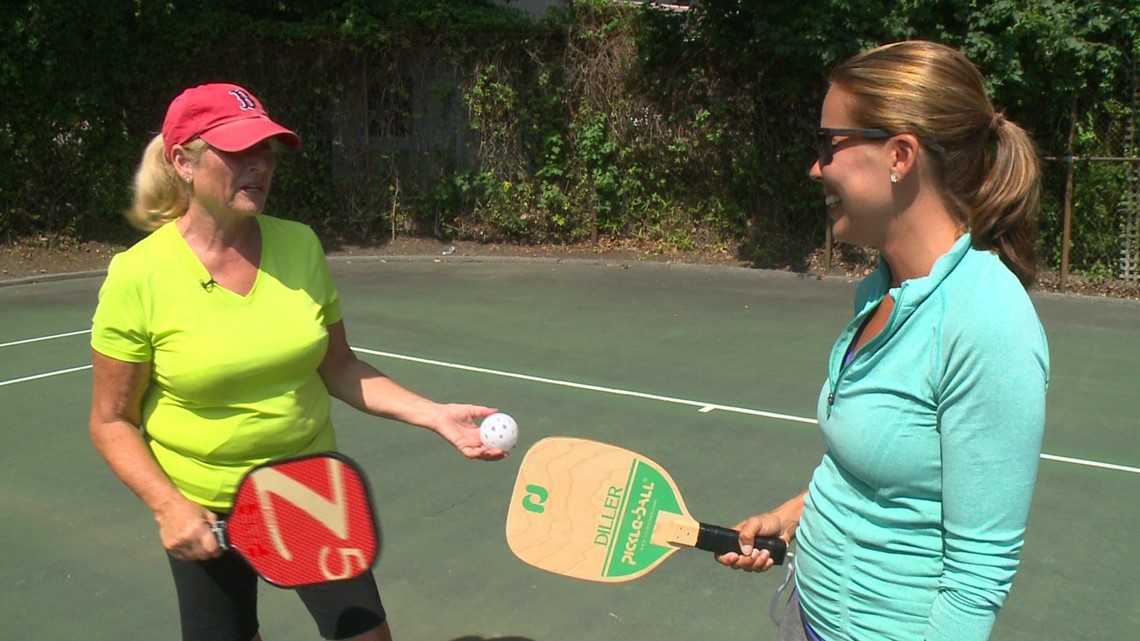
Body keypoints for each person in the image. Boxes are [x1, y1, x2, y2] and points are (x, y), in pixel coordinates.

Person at [88, 83, 508, 641]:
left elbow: (338, 366)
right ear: (181, 161)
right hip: (202, 506)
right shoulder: (137, 276)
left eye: (266, 148)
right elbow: (111, 419)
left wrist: (433, 414)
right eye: (237, 151)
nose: (259, 163)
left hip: (309, 491)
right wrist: (168, 506)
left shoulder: (300, 246)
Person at [715, 41, 1049, 641]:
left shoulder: (987, 322)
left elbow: (978, 576)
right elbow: (869, 469)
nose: (816, 168)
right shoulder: (879, 289)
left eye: (829, 145)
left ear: (899, 155)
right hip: (809, 614)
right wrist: (791, 518)